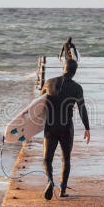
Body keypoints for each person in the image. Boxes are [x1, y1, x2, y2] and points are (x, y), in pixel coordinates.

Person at [40, 58, 90, 199]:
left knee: (46, 159)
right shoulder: (77, 88)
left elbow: (38, 104)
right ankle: (62, 190)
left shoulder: (48, 83)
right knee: (66, 159)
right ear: (74, 72)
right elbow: (82, 108)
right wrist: (87, 128)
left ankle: (50, 180)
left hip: (50, 126)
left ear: (64, 68)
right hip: (66, 127)